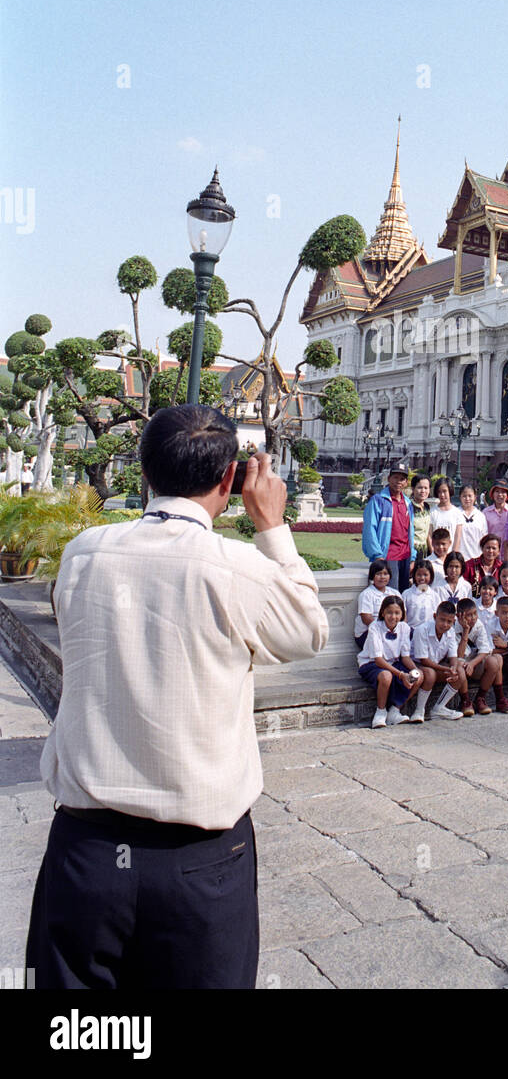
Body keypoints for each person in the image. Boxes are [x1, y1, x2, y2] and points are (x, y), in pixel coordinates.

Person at [26, 403, 328, 990]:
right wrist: (272, 526)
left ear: (145, 470)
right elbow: (308, 630)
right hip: (201, 862)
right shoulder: (235, 568)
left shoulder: (84, 552)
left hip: (87, 853)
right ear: (229, 480)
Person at [357, 594, 423, 728]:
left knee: (419, 675)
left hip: (395, 663)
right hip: (372, 664)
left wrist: (414, 670)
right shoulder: (375, 627)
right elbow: (378, 660)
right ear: (382, 612)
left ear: (402, 614)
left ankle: (395, 710)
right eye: (389, 612)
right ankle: (380, 712)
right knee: (386, 676)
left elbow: (405, 657)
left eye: (397, 613)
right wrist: (401, 675)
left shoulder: (404, 627)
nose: (393, 617)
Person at [361, 462, 415, 593]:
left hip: (405, 556)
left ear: (406, 483)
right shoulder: (378, 500)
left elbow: (410, 532)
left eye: (402, 479)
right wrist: (377, 555)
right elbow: (369, 529)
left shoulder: (408, 504)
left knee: (404, 595)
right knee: (391, 597)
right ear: (389, 478)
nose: (398, 482)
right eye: (395, 477)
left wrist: (412, 557)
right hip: (388, 556)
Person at [411, 603, 467, 721]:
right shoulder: (422, 630)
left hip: (436, 665)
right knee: (430, 674)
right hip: (416, 665)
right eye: (442, 620)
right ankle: (419, 710)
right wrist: (446, 669)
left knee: (460, 672)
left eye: (449, 621)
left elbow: (453, 656)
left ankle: (439, 708)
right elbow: (423, 660)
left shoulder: (450, 632)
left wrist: (453, 669)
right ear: (435, 616)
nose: (445, 624)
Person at [454, 596, 504, 715]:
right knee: (460, 664)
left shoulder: (478, 625)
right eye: (469, 615)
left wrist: (472, 663)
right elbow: (459, 655)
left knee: (493, 662)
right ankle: (465, 700)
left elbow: (484, 650)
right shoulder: (453, 627)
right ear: (460, 616)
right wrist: (466, 631)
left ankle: (480, 698)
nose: (473, 618)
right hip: (459, 663)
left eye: (475, 614)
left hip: (473, 662)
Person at [355, 560, 401, 649]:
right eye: (379, 574)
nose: (382, 577)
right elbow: (366, 619)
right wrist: (385, 629)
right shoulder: (367, 594)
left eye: (385, 574)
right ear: (372, 576)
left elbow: (403, 615)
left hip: (391, 629)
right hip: (370, 631)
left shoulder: (395, 593)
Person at [454, 483, 489, 562]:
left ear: (475, 497)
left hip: (476, 558)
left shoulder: (480, 516)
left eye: (470, 496)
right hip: (459, 559)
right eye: (464, 496)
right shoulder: (455, 513)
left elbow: (484, 538)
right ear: (460, 497)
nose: (467, 499)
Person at [403, 558, 440, 630]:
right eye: (419, 575)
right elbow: (404, 617)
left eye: (425, 575)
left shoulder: (435, 596)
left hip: (428, 633)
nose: (422, 578)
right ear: (414, 575)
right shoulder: (407, 594)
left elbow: (437, 617)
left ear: (431, 576)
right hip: (411, 632)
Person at [429, 477, 465, 544]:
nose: (442, 495)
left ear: (450, 491)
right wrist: (433, 552)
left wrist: (454, 553)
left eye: (444, 491)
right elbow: (429, 536)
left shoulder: (457, 513)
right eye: (439, 492)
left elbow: (458, 537)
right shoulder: (432, 512)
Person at [482, 480, 508, 549]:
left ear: (507, 495)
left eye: (503, 492)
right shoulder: (485, 512)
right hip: (491, 552)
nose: (500, 495)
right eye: (497, 491)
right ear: (492, 494)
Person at [410, 474, 433, 557]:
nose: (423, 491)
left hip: (425, 552)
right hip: (411, 551)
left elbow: (427, 533)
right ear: (413, 489)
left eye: (426, 488)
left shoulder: (427, 507)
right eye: (420, 488)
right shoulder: (408, 507)